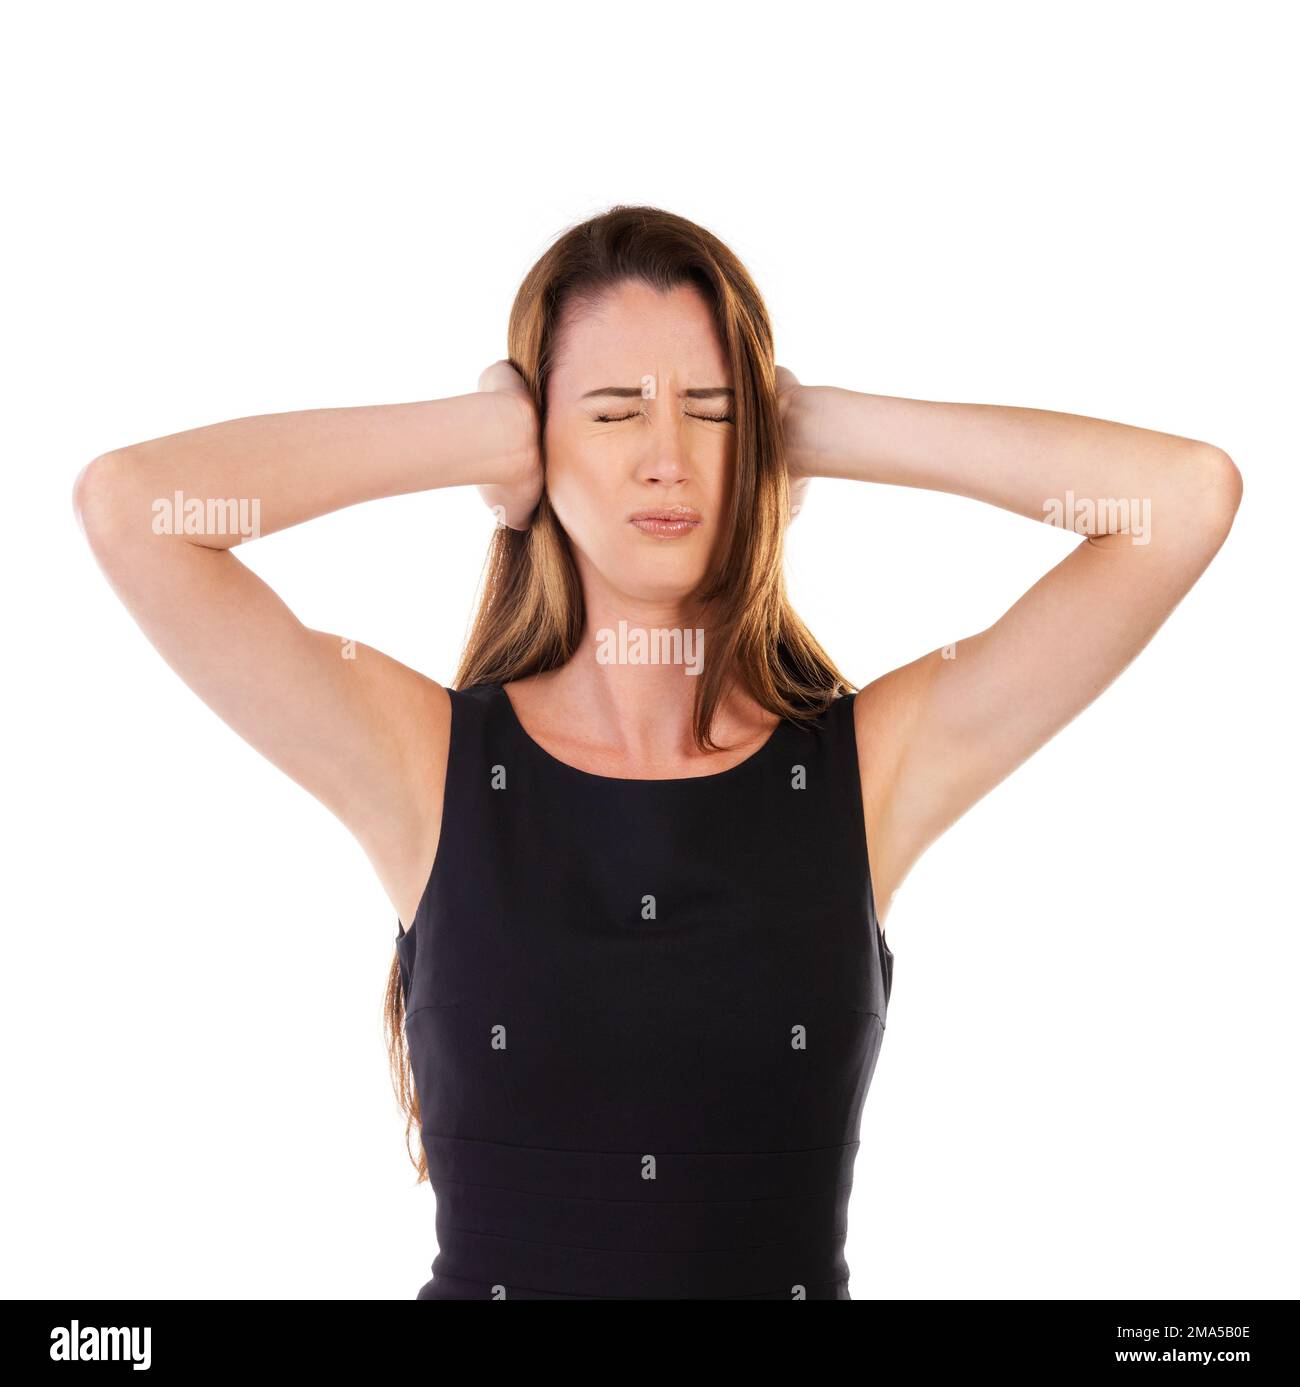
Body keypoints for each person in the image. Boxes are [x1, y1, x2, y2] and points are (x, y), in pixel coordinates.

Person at [72, 204, 1242, 1300]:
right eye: (615, 409)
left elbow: (1180, 500)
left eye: (713, 409)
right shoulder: (423, 760)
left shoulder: (862, 770)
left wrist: (814, 426)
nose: (668, 456)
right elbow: (135, 509)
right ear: (541, 437)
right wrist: (473, 437)